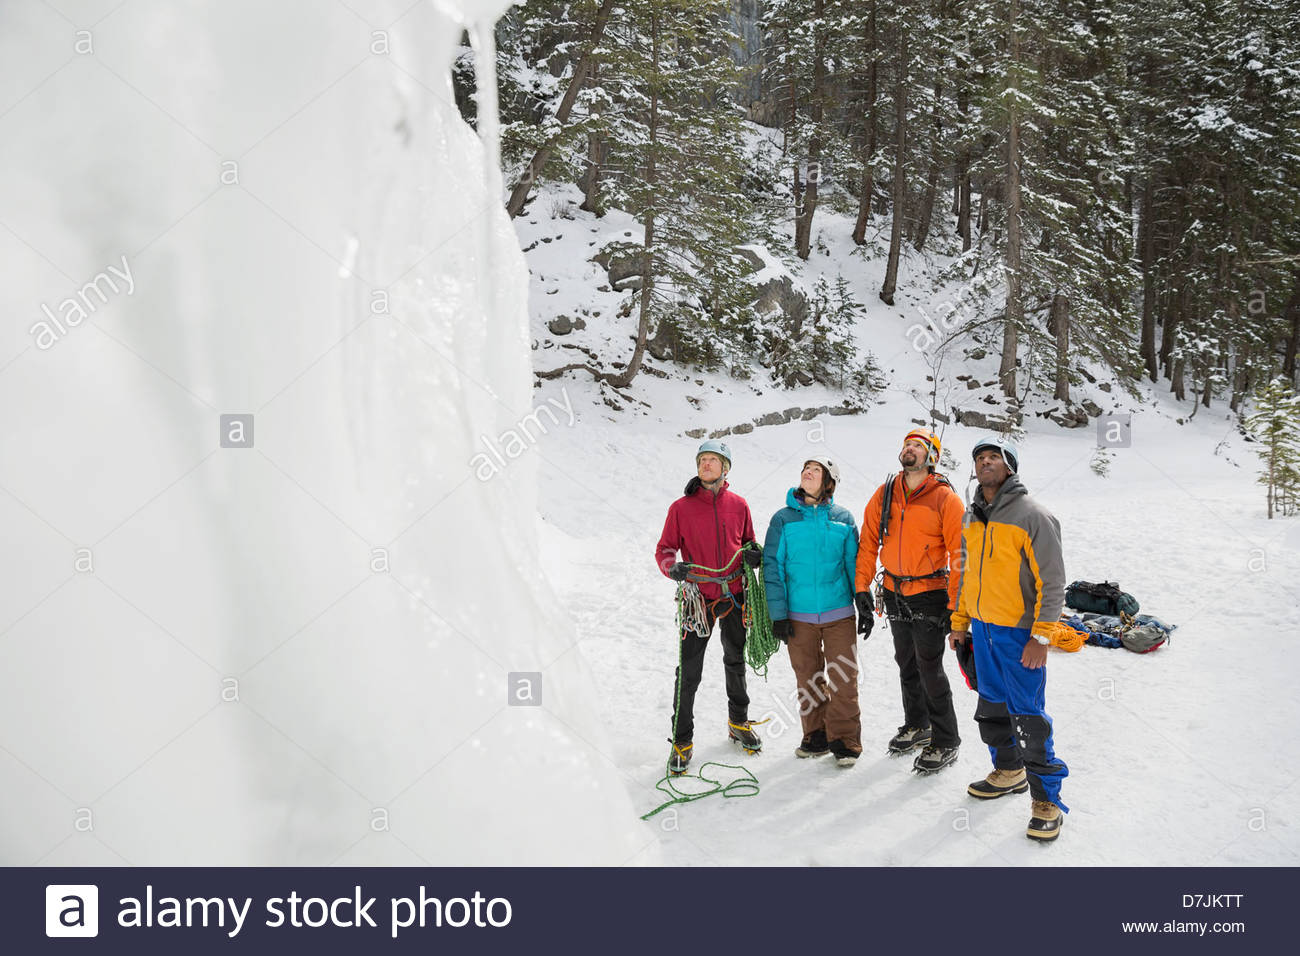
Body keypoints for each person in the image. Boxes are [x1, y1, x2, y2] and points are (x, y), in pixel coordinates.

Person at [948, 435, 1070, 842]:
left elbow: (1053, 583)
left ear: (1010, 466)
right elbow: (966, 576)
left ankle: (1046, 801)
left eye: (994, 457)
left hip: (1019, 635)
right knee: (992, 709)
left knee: (1029, 718)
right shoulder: (972, 518)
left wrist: (1042, 636)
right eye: (979, 457)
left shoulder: (1033, 515)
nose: (985, 462)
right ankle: (1009, 770)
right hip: (981, 631)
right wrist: (961, 622)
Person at [854, 428, 965, 774]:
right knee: (906, 661)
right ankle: (918, 724)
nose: (909, 449)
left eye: (917, 446)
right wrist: (861, 589)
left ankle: (946, 739)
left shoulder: (945, 498)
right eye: (906, 445)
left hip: (931, 594)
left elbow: (960, 554)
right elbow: (869, 541)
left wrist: (954, 604)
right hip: (894, 592)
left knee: (929, 666)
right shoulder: (886, 492)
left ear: (931, 456)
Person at [655, 440, 764, 774]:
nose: (706, 464)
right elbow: (665, 548)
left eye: (713, 460)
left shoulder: (739, 505)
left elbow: (747, 542)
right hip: (698, 599)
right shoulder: (681, 508)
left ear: (725, 468)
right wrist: (672, 566)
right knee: (689, 671)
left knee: (735, 661)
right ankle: (681, 740)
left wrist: (753, 555)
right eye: (702, 459)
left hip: (733, 596)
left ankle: (739, 722)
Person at [763, 456, 862, 766]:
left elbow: (853, 565)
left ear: (828, 482)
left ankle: (845, 740)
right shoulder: (783, 519)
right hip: (798, 616)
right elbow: (772, 566)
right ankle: (815, 736)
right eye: (805, 469)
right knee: (807, 677)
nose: (807, 472)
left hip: (839, 614)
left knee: (843, 678)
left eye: (816, 470)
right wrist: (778, 613)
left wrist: (863, 601)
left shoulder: (843, 519)